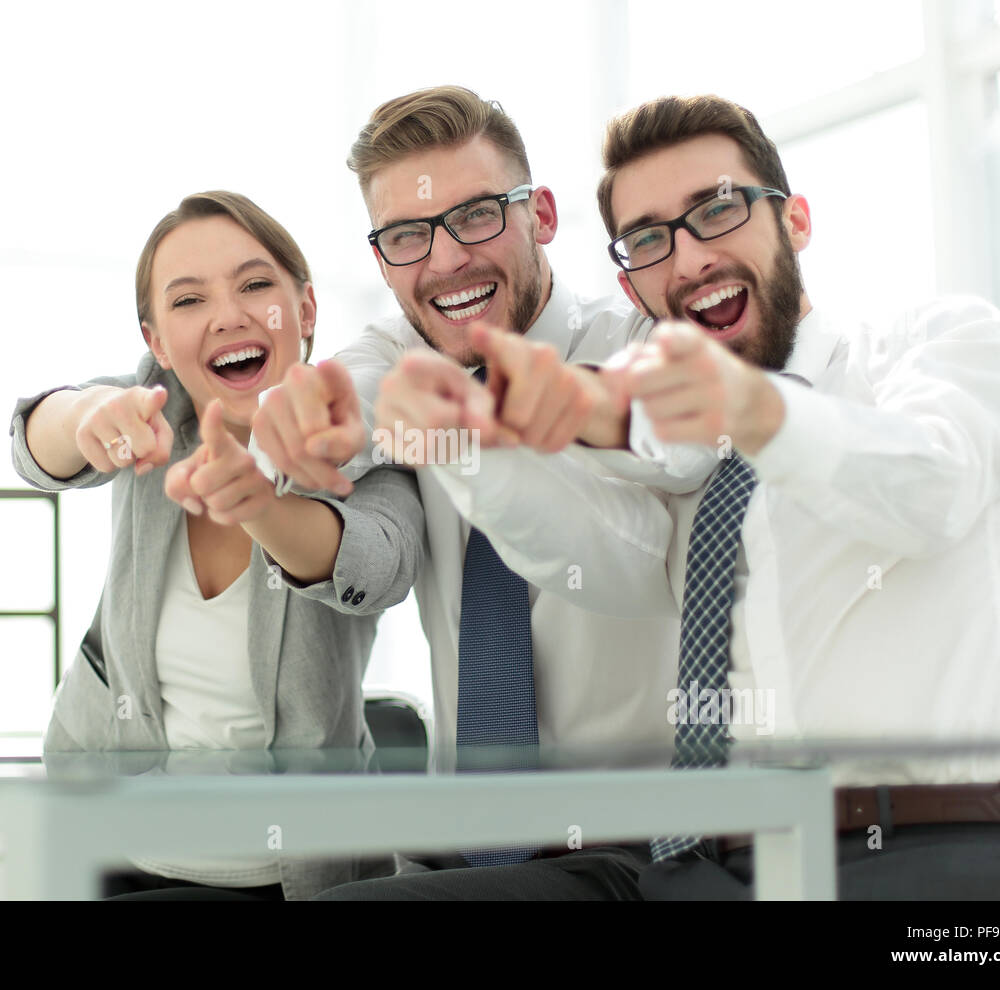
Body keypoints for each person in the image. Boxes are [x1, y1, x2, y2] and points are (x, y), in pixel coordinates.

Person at [466, 93, 1000, 899]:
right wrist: (461, 434)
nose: (686, 262)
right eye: (647, 240)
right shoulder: (694, 473)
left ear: (796, 222)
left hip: (937, 863)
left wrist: (756, 411)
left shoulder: (937, 346)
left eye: (716, 210)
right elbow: (589, 552)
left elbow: (936, 485)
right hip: (721, 872)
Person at [249, 86, 713, 901]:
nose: (446, 260)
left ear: (540, 214)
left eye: (476, 217)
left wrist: (515, 412)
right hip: (457, 858)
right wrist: (304, 427)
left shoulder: (635, 336)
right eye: (407, 237)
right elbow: (347, 389)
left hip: (643, 851)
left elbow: (683, 439)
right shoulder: (403, 350)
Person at [9, 190, 426, 901]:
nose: (228, 315)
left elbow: (379, 564)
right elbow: (32, 439)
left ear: (306, 310)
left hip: (294, 873)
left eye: (255, 285)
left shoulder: (360, 432)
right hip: (108, 845)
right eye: (188, 300)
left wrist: (261, 503)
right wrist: (82, 415)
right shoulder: (152, 407)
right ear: (158, 343)